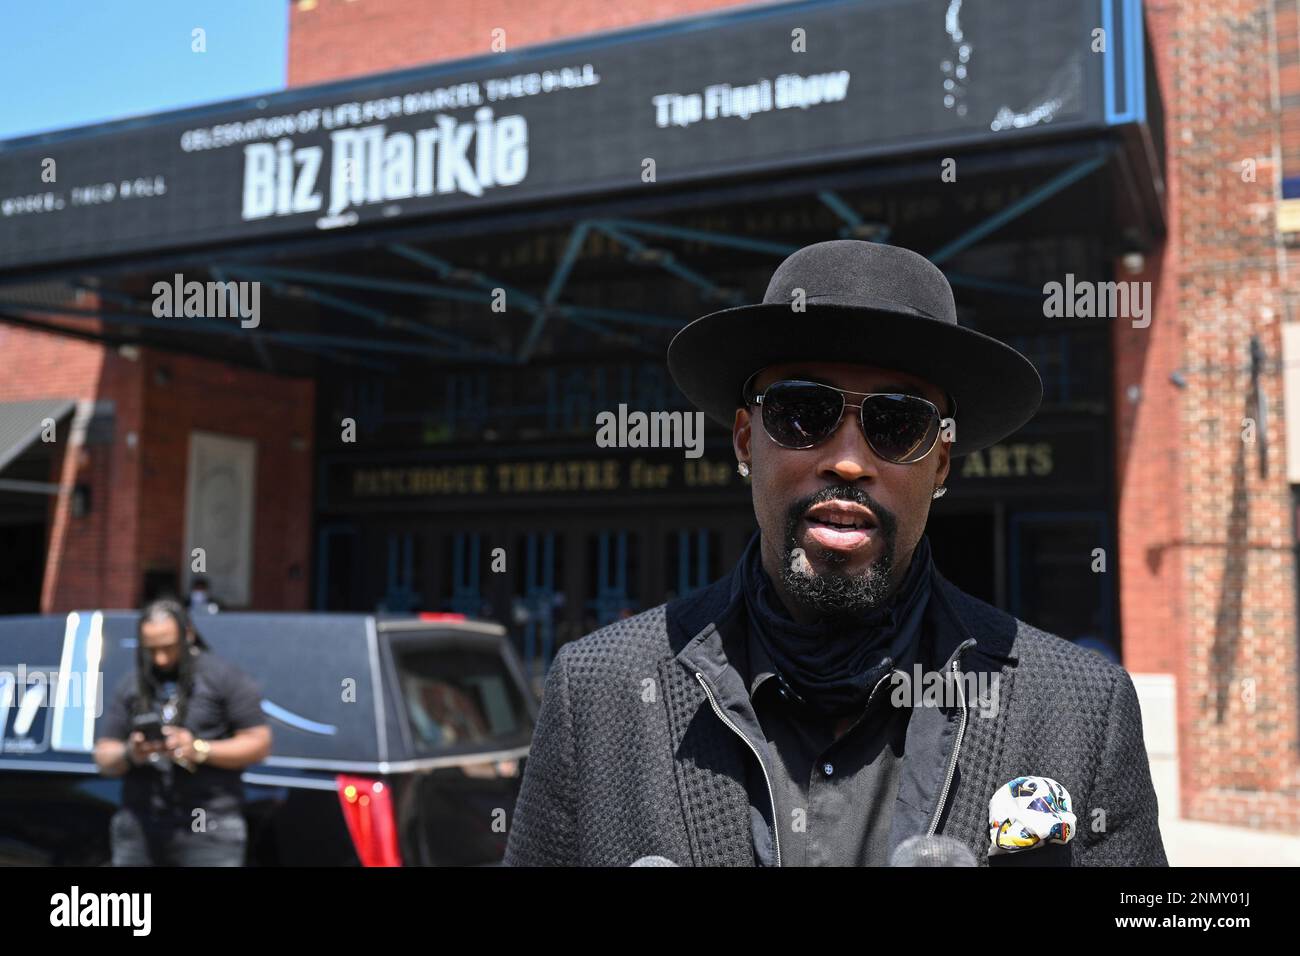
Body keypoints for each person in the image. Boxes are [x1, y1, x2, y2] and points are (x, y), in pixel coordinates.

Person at [504, 240, 1166, 866]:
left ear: (939, 463)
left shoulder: (1078, 711)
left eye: (897, 423)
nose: (848, 461)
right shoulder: (596, 697)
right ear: (744, 440)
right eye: (802, 412)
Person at [94, 598, 272, 866]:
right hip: (141, 826)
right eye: (151, 649)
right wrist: (132, 752)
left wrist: (199, 749)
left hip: (208, 826)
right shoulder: (133, 684)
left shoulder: (222, 677)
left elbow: (260, 743)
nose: (160, 658)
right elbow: (104, 756)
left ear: (187, 633)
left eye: (168, 647)